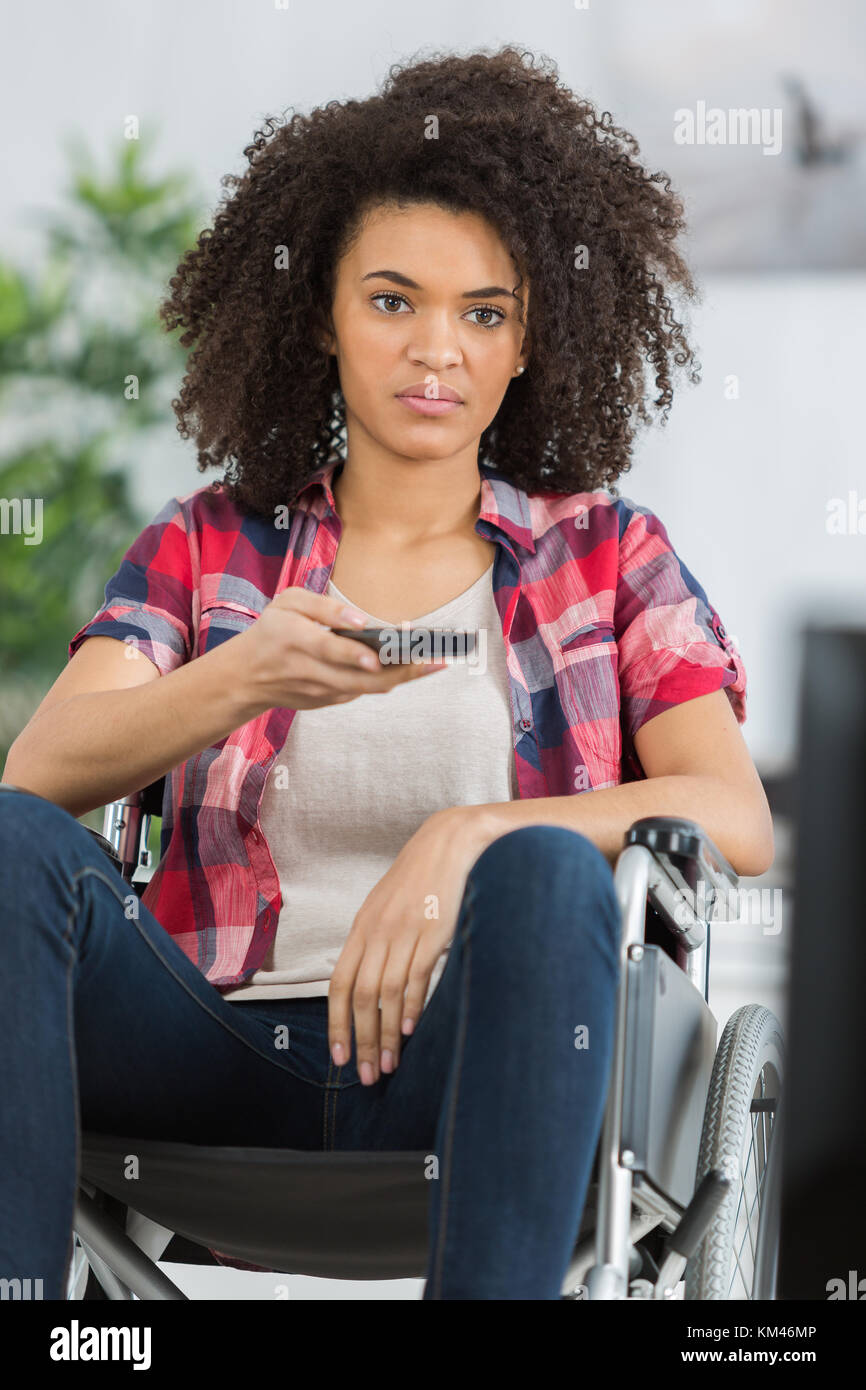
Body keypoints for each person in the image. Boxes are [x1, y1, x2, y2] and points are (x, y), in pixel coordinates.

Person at [0, 46, 773, 1301]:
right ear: (323, 314)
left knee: (535, 868)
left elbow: (732, 816)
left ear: (529, 341)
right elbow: (33, 783)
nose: (436, 352)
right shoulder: (211, 546)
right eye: (392, 300)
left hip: (470, 1062)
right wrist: (240, 675)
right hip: (214, 1054)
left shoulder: (606, 555)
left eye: (484, 313)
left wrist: (471, 836)